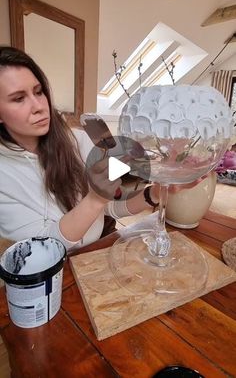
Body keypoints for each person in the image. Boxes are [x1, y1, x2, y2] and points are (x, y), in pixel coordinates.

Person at [0, 46, 202, 250]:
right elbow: (43, 248)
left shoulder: (76, 140)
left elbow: (110, 207)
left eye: (38, 92)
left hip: (96, 251)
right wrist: (94, 199)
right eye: (19, 98)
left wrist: (156, 193)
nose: (39, 106)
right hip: (51, 272)